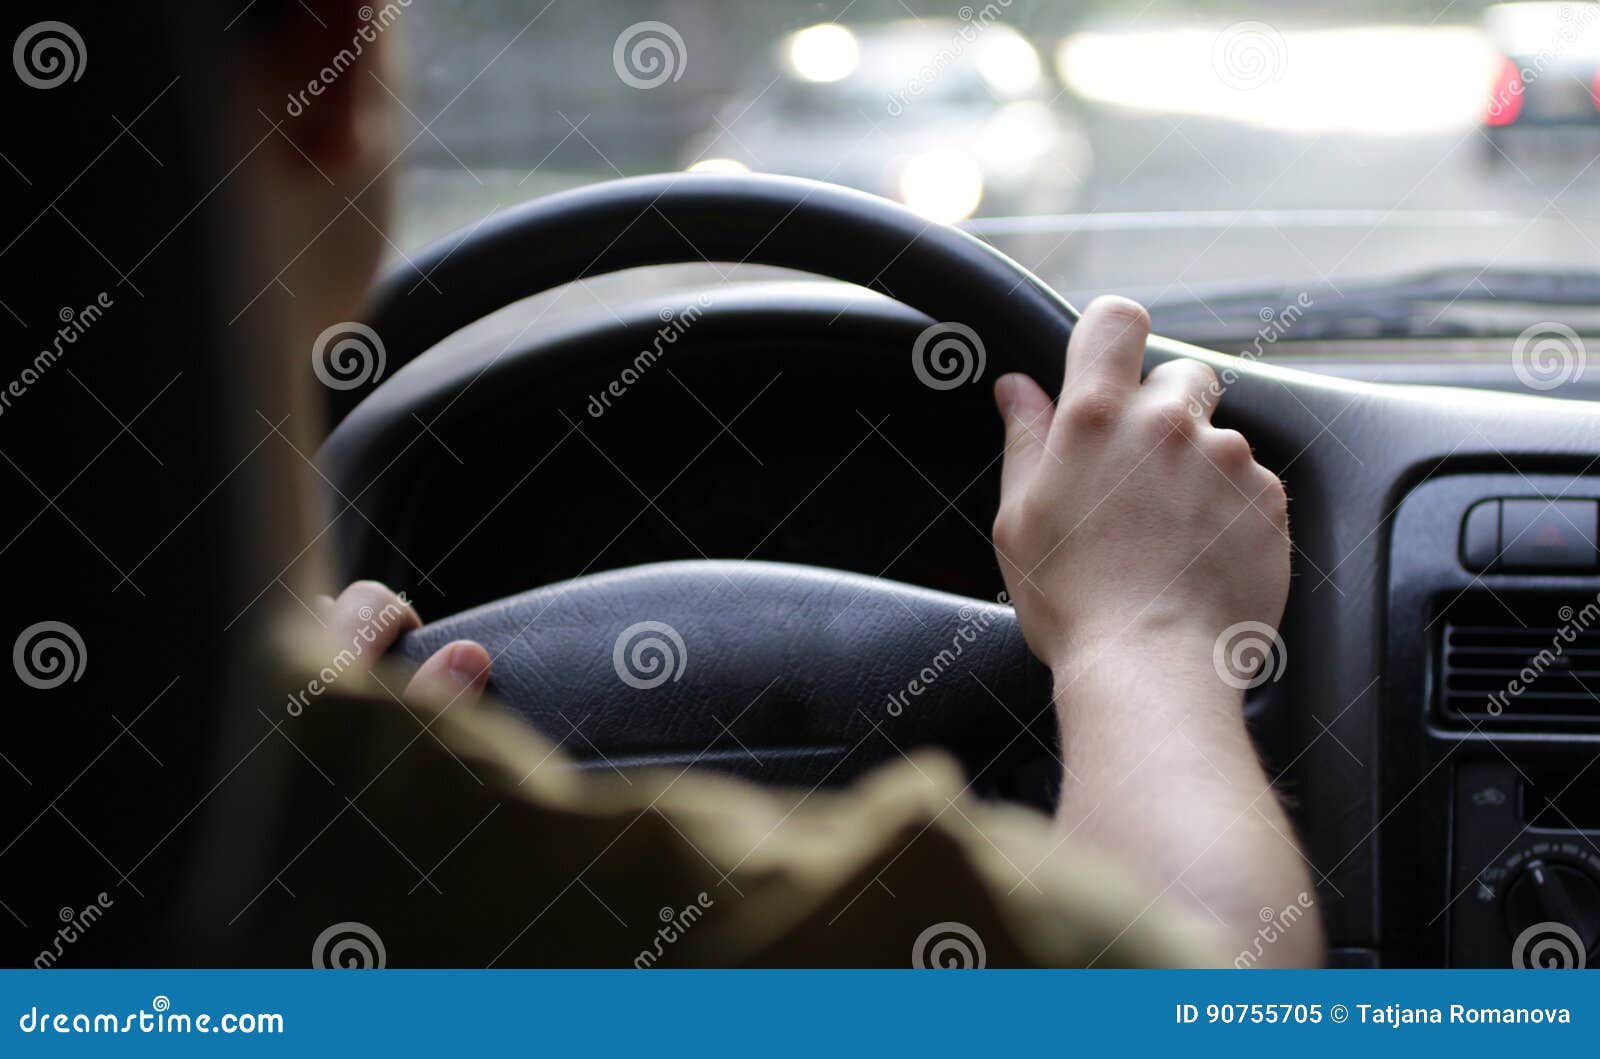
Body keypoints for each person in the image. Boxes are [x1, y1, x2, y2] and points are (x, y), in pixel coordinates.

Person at [183, 1, 1317, 966]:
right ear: (329, 67)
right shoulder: (335, 838)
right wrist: (1142, 630)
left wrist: (325, 752)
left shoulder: (245, 833)